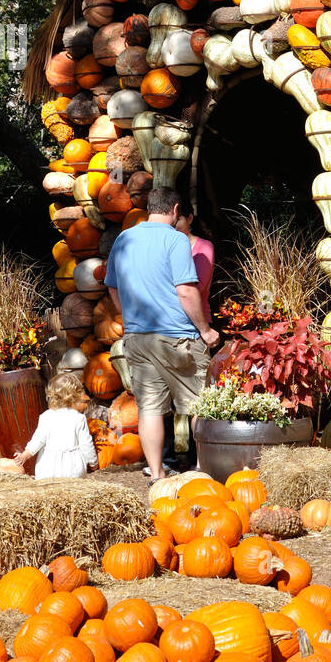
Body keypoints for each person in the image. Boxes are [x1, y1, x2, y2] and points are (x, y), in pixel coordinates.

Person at [104, 186, 219, 481]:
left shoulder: (124, 238)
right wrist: (205, 330)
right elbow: (185, 290)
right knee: (199, 404)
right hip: (178, 337)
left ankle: (157, 475)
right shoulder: (176, 240)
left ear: (148, 208)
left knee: (151, 408)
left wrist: (127, 318)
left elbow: (112, 286)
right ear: (176, 209)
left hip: (138, 339)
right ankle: (202, 471)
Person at [161, 208, 216, 470]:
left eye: (178, 220)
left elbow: (198, 286)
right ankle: (167, 459)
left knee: (196, 398)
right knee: (163, 400)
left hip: (195, 326)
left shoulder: (202, 247)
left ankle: (198, 461)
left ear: (189, 219)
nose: (173, 224)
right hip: (165, 328)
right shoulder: (165, 245)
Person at [15, 373, 98, 479]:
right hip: (73, 470)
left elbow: (38, 440)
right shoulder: (78, 418)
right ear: (76, 394)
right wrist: (93, 462)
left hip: (48, 469)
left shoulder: (46, 417)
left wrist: (25, 455)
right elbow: (86, 444)